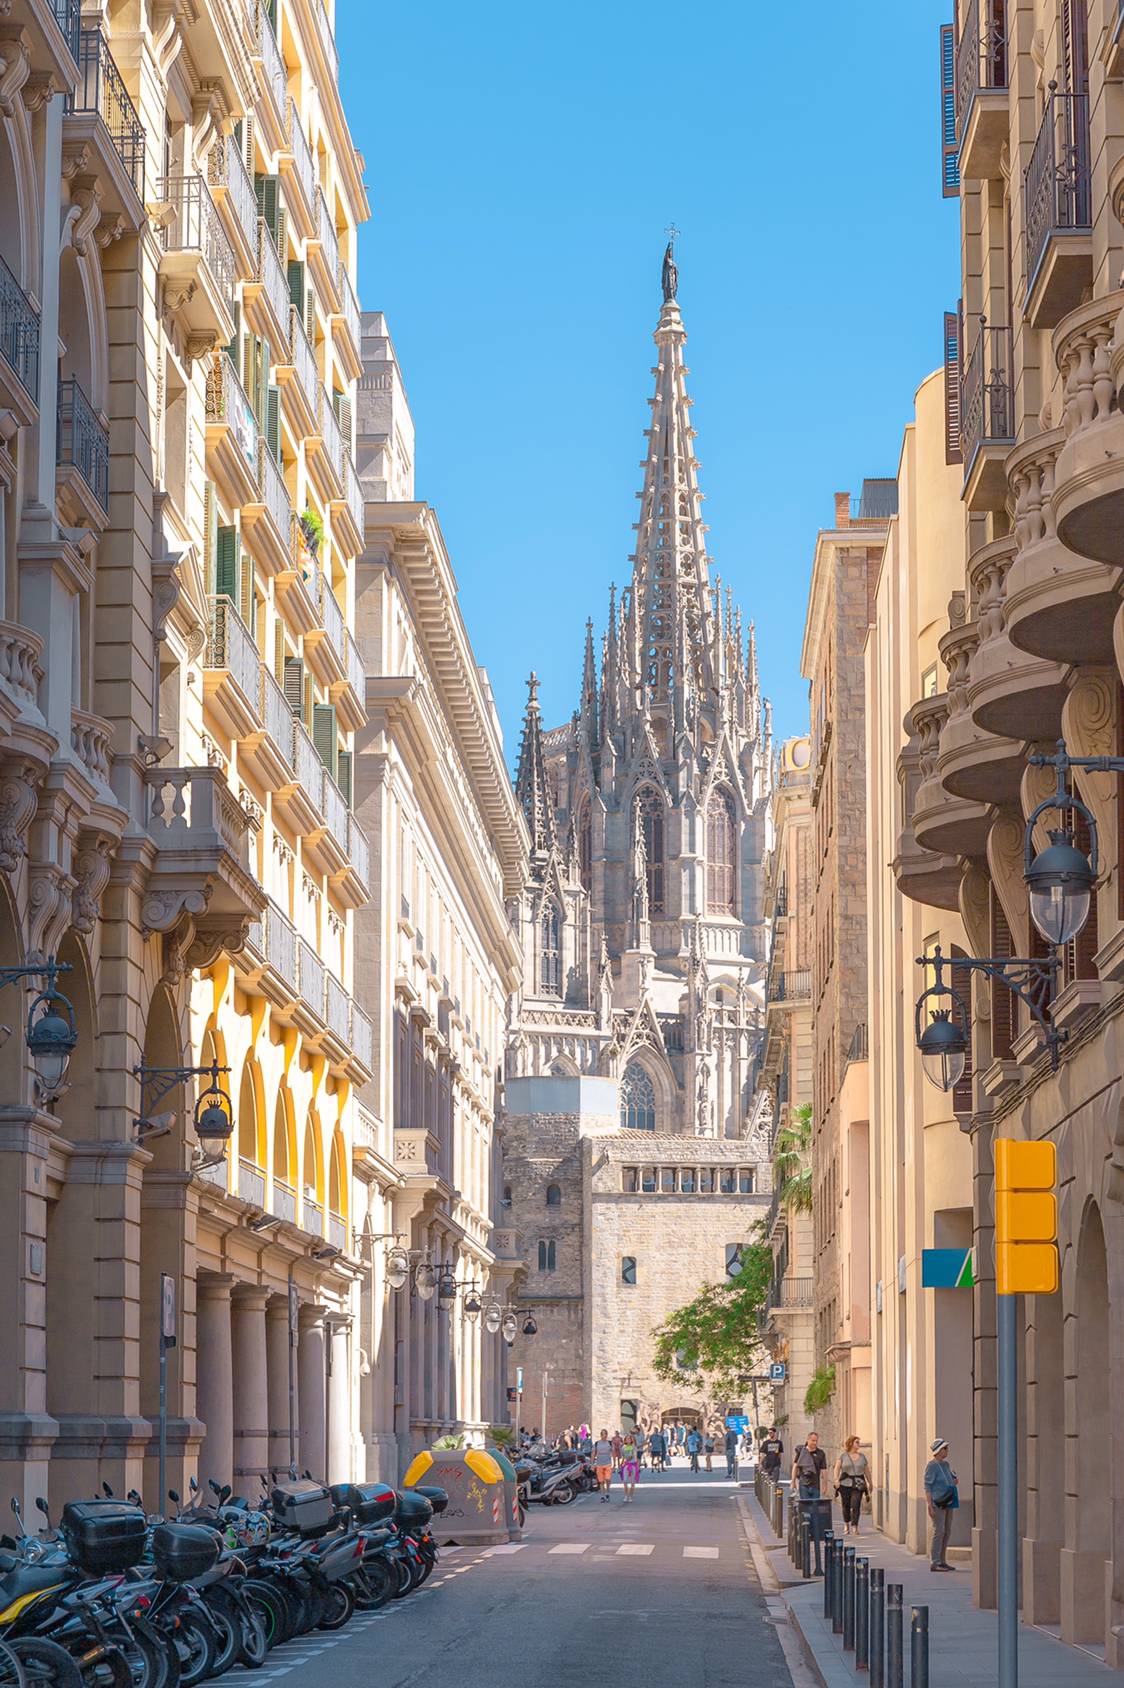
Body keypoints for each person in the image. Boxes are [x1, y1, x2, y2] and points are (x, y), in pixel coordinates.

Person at [923, 1437, 959, 1572]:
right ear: (939, 1451)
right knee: (939, 1531)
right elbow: (927, 1486)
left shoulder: (946, 1465)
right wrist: (929, 1504)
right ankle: (935, 1561)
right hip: (938, 1502)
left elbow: (951, 1479)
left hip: (949, 1500)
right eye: (945, 1448)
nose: (947, 1450)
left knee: (947, 1531)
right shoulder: (931, 1466)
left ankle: (943, 1560)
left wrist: (954, 1480)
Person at [834, 1436, 870, 1536]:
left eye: (859, 1442)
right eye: (857, 1442)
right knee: (845, 1505)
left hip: (858, 1484)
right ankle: (846, 1525)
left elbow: (866, 1471)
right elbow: (837, 1468)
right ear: (851, 1443)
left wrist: (869, 1483)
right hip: (845, 1484)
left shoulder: (862, 1457)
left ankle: (855, 1526)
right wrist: (836, 1480)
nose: (859, 1444)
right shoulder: (843, 1456)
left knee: (856, 1505)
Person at [791, 1431, 827, 1500]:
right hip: (804, 1485)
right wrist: (793, 1481)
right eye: (813, 1441)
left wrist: (825, 1485)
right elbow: (795, 1467)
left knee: (815, 1507)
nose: (815, 1443)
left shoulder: (820, 1453)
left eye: (816, 1441)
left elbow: (824, 1470)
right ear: (808, 1440)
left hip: (815, 1485)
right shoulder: (801, 1451)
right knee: (805, 1507)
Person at [592, 1428, 615, 1503]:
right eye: (602, 1434)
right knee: (601, 1481)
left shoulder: (610, 1443)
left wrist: (614, 1464)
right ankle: (603, 1496)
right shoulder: (597, 1443)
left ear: (607, 1435)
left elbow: (613, 1453)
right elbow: (593, 1454)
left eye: (605, 1434)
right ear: (600, 1435)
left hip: (608, 1463)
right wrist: (592, 1464)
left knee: (608, 1479)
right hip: (599, 1464)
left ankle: (607, 1492)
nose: (604, 1436)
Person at [619, 1431, 640, 1503]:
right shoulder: (623, 1447)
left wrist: (637, 1466)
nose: (628, 1440)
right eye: (627, 1439)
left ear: (631, 1440)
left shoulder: (633, 1447)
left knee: (632, 1483)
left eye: (629, 1439)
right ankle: (626, 1495)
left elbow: (635, 1457)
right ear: (625, 1440)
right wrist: (620, 1465)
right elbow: (623, 1457)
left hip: (633, 1465)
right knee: (625, 1481)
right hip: (626, 1465)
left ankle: (630, 1496)